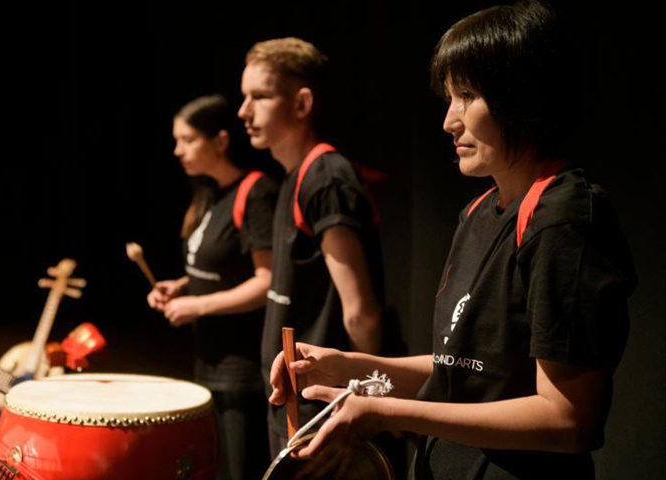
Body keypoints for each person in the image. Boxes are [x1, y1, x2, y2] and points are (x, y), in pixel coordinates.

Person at [267, 2, 637, 479]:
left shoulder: (564, 219)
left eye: (466, 95)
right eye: (449, 98)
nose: (449, 121)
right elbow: (463, 370)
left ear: (521, 97)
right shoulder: (479, 211)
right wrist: (348, 366)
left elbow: (567, 420)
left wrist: (386, 412)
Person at [237, 37, 386, 458]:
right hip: (297, 406)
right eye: (244, 96)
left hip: (322, 412)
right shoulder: (295, 175)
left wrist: (369, 404)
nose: (243, 111)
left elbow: (361, 312)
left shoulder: (325, 176)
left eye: (259, 97)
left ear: (301, 104)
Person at [146, 94, 278, 480]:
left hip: (242, 369)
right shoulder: (209, 193)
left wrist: (197, 306)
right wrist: (182, 287)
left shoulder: (257, 192)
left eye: (187, 140)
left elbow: (266, 281)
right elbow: (219, 269)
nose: (177, 150)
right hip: (208, 359)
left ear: (220, 141)